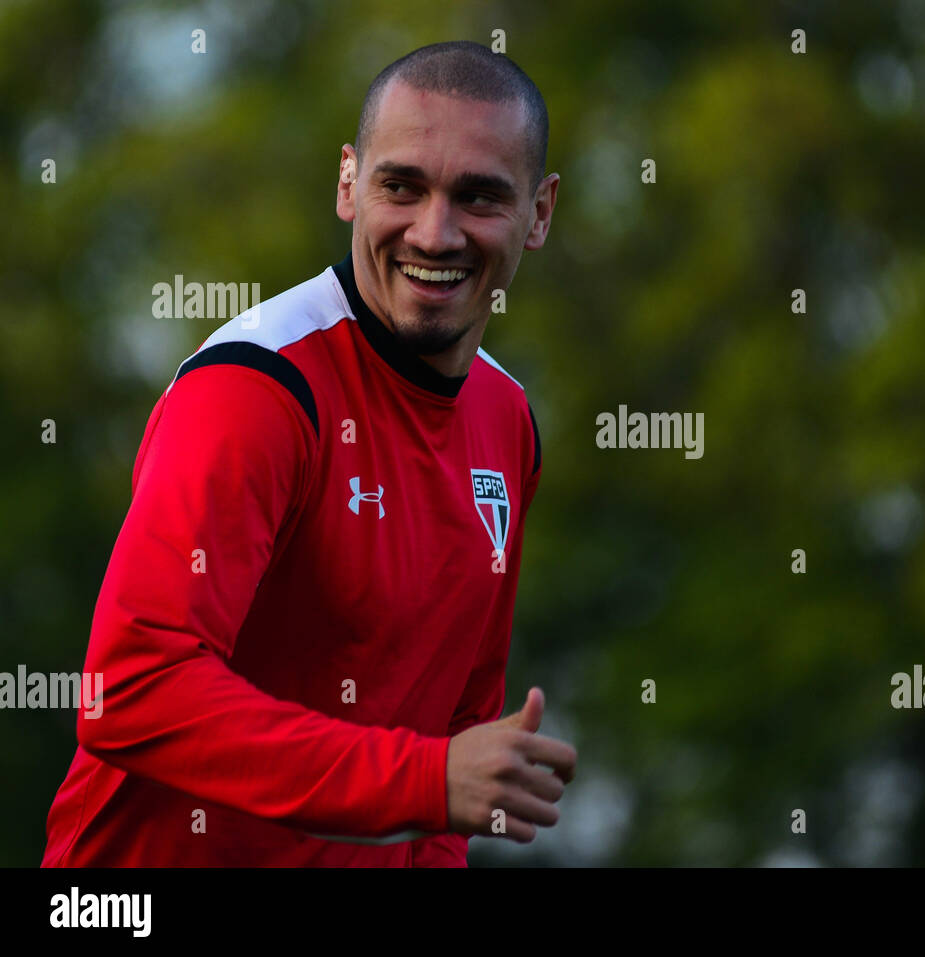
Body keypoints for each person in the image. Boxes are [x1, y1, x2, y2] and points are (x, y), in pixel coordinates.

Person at [42, 40, 575, 866]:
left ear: (539, 214)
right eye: (402, 186)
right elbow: (132, 686)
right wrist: (424, 779)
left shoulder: (507, 418)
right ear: (349, 183)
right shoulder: (255, 389)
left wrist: (437, 790)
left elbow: (461, 730)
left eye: (479, 197)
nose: (435, 233)